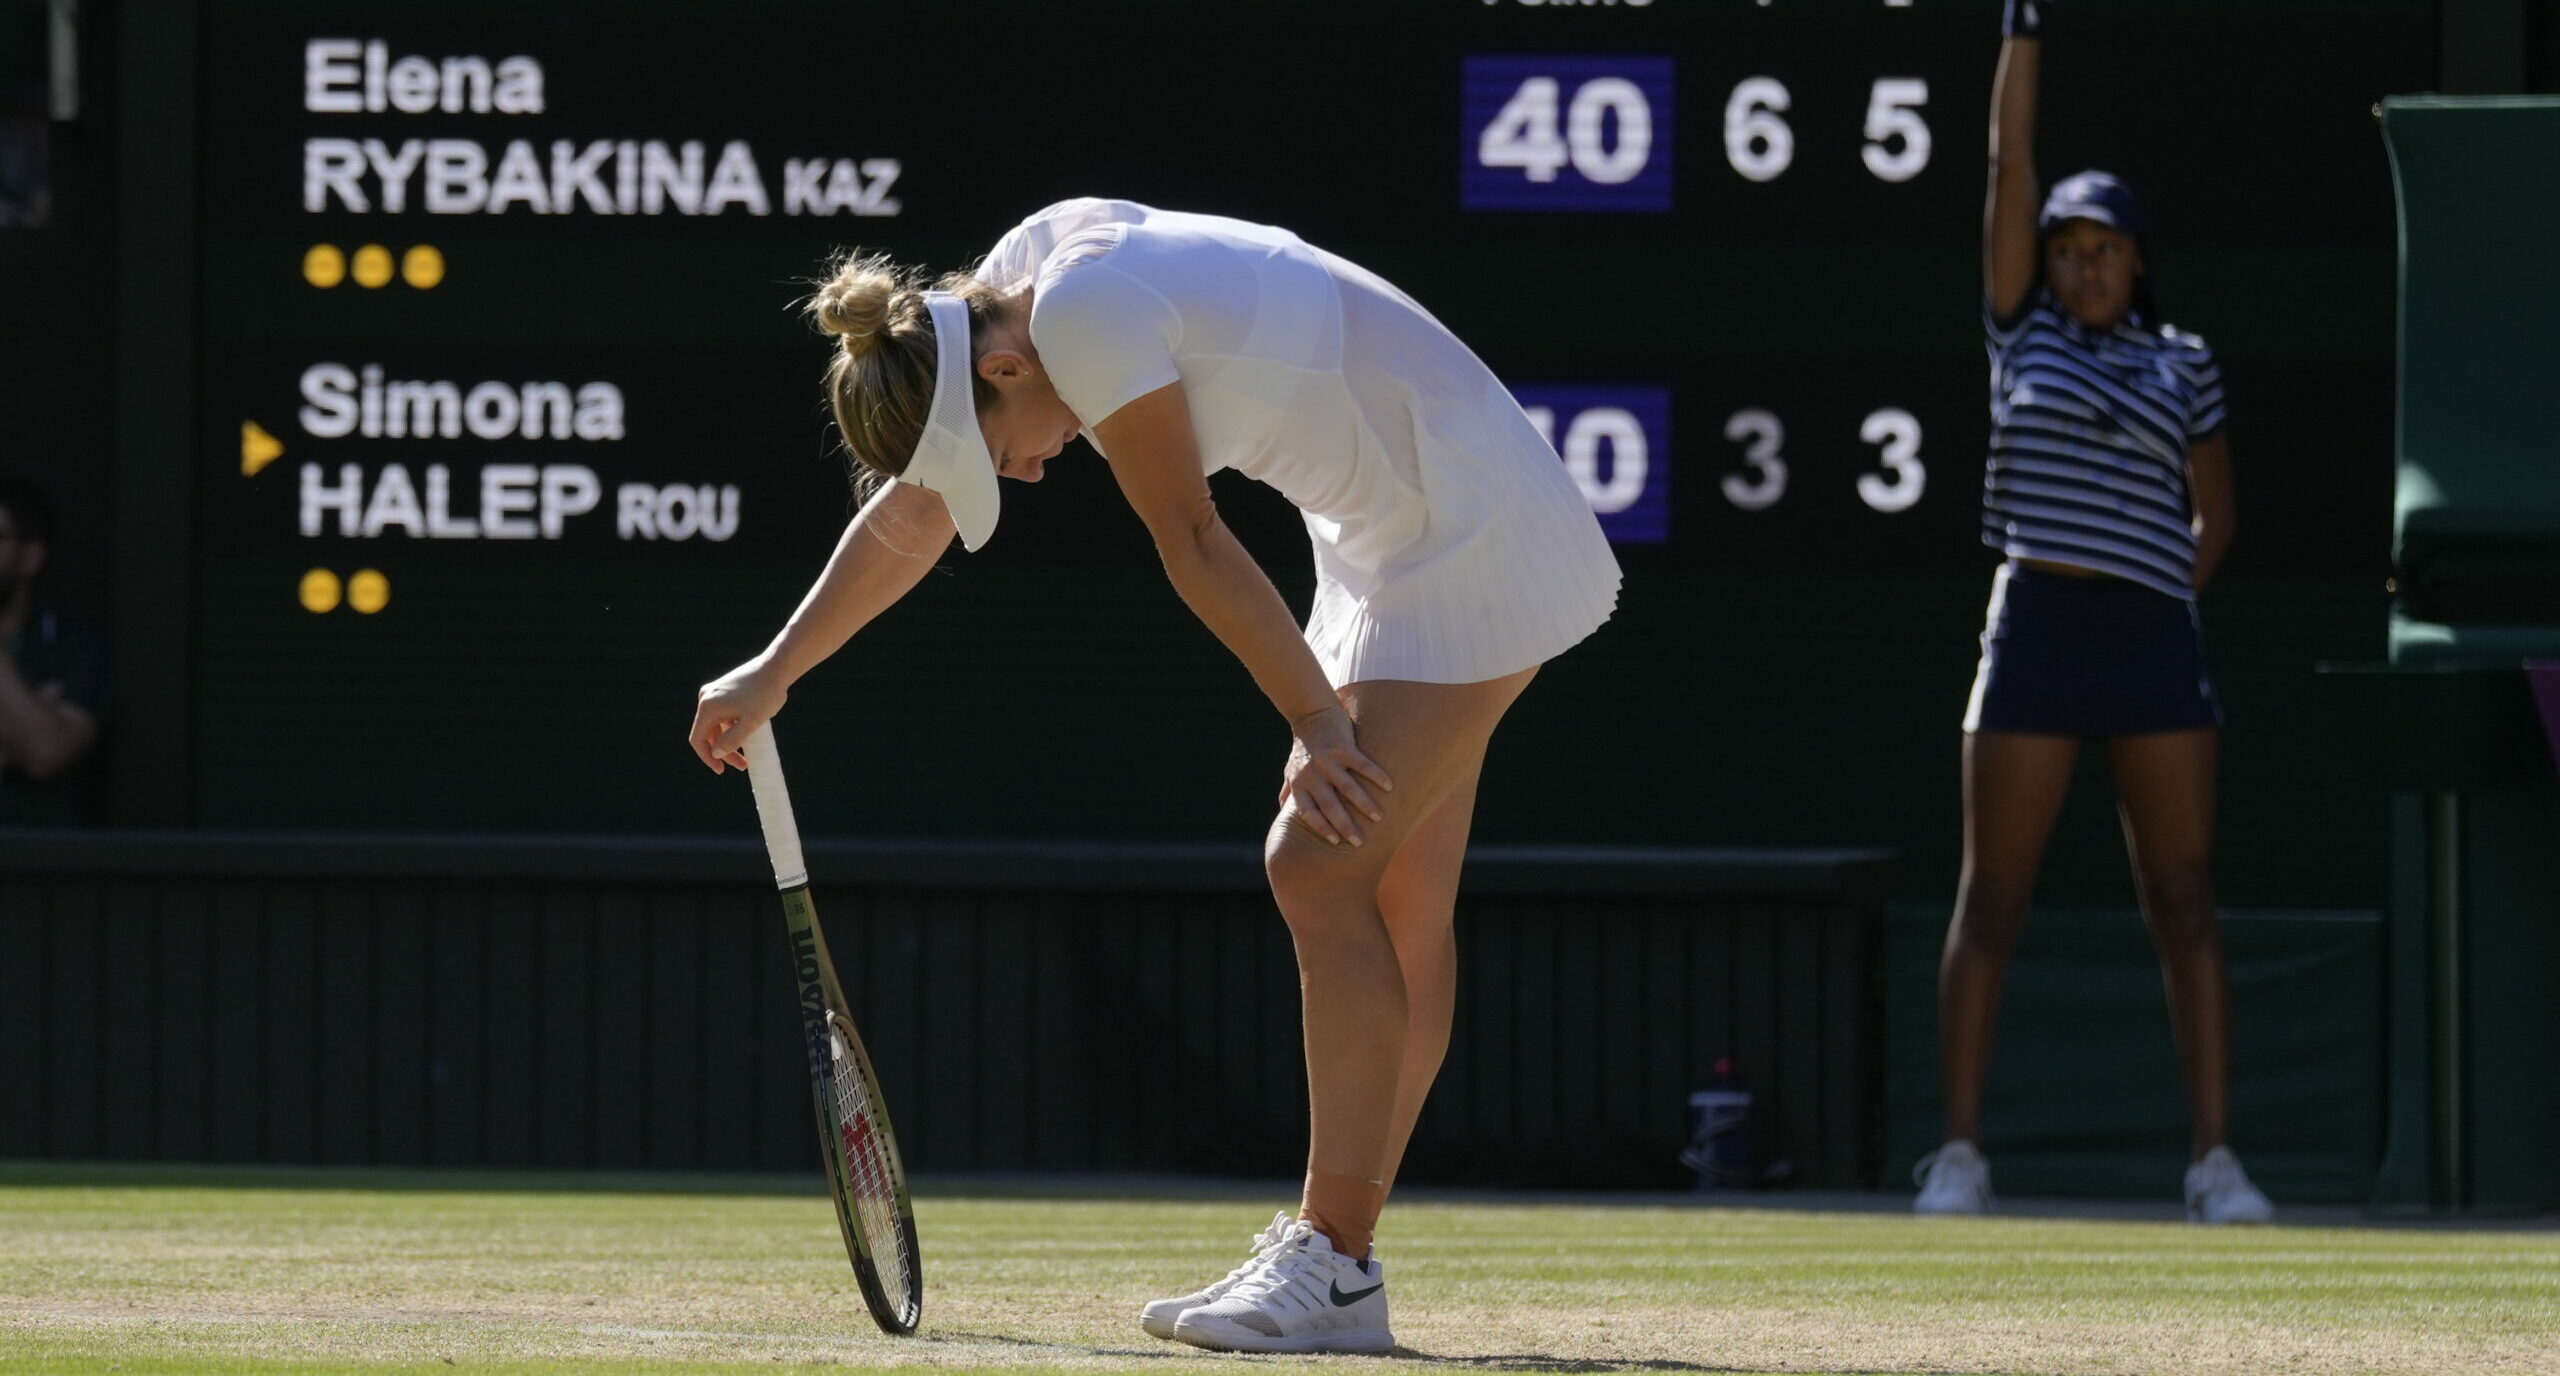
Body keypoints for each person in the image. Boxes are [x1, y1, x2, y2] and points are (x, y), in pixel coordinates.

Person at [686, 198, 1620, 1350]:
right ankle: (1342, 1258)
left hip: (1467, 518)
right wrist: (775, 670)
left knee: (1316, 866)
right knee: (1391, 902)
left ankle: (1334, 1263)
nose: (1022, 479)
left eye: (999, 452)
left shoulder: (1077, 311)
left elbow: (1190, 534)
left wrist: (1318, 722)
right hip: (1388, 530)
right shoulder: (1013, 293)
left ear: (1008, 364)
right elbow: (916, 514)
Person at [1914, 0, 2275, 1225]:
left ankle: (2214, 1161)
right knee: (1991, 897)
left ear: (2136, 258)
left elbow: (2214, 512)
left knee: (2182, 895)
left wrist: (2163, 596)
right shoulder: (2018, 333)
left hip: (2152, 644)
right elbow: (2006, 162)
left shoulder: (2186, 358)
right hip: (2033, 633)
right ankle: (1958, 1153)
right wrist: (2023, 28)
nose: (2080, 264)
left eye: (2101, 247)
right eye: (2063, 247)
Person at [0, 476, 107, 825]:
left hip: (40, 865)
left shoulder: (73, 648)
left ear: (30, 556)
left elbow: (48, 753)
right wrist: (30, 716)